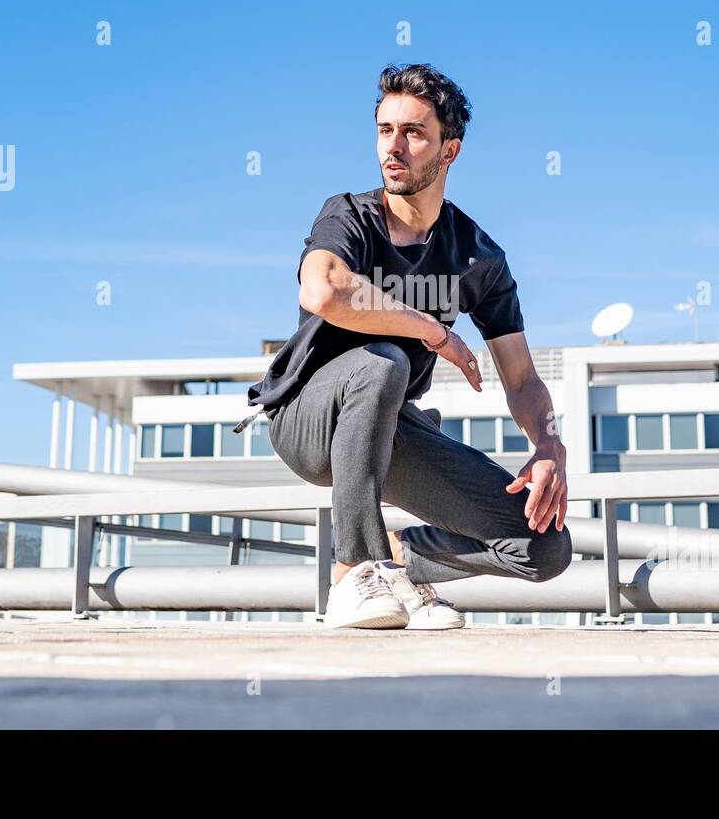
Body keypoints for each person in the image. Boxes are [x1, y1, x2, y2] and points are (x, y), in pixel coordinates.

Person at [237, 63, 572, 630]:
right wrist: (432, 329)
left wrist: (548, 444)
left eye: (414, 132)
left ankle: (399, 560)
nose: (393, 147)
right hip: (305, 418)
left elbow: (521, 379)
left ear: (449, 151)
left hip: (390, 430)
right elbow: (324, 290)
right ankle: (353, 573)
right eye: (383, 129)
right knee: (384, 361)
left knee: (543, 545)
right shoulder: (349, 216)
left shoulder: (477, 257)